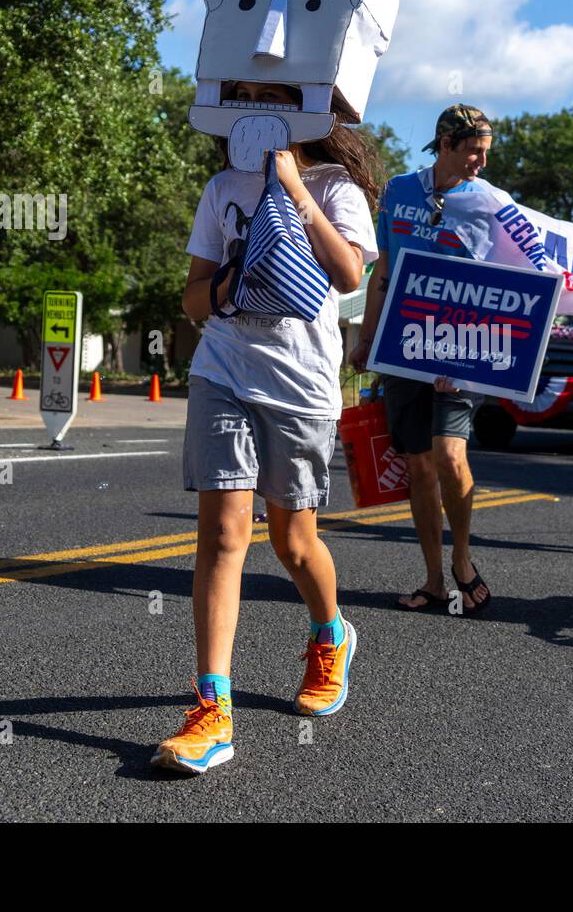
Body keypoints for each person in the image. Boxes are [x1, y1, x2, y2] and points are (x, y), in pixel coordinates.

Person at [152, 80, 380, 775]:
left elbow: (346, 276)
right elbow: (192, 298)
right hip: (224, 369)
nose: (255, 106)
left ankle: (329, 634)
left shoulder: (336, 184)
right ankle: (212, 709)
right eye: (245, 94)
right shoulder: (222, 185)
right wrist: (229, 285)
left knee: (291, 541)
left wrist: (294, 190)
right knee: (222, 536)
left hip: (302, 387)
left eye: (270, 95)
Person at [349, 104, 495, 613]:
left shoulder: (490, 203)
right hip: (402, 344)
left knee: (451, 457)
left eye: (485, 152)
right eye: (474, 150)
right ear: (446, 143)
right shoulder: (399, 192)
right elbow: (382, 273)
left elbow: (500, 283)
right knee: (418, 465)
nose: (481, 161)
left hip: (461, 348)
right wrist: (366, 340)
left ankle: (462, 559)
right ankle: (434, 579)